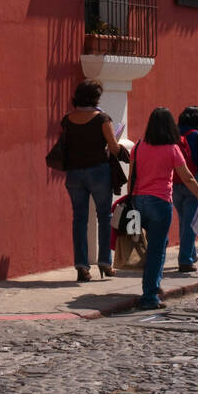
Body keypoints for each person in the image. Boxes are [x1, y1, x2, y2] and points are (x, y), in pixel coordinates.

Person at [129, 107, 198, 310]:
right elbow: (188, 178)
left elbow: (132, 176)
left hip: (138, 201)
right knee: (157, 249)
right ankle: (149, 295)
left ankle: (152, 285)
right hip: (160, 202)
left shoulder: (138, 146)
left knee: (153, 244)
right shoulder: (172, 149)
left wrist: (130, 200)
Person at [61, 79, 124, 281]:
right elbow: (113, 148)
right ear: (95, 97)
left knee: (79, 218)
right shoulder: (102, 118)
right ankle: (105, 262)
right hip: (98, 171)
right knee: (103, 216)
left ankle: (81, 266)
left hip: (74, 173)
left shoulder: (67, 119)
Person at [172, 106, 198, 273]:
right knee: (191, 222)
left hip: (175, 181)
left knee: (184, 220)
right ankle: (185, 260)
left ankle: (191, 253)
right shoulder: (196, 136)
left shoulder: (173, 135)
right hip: (194, 181)